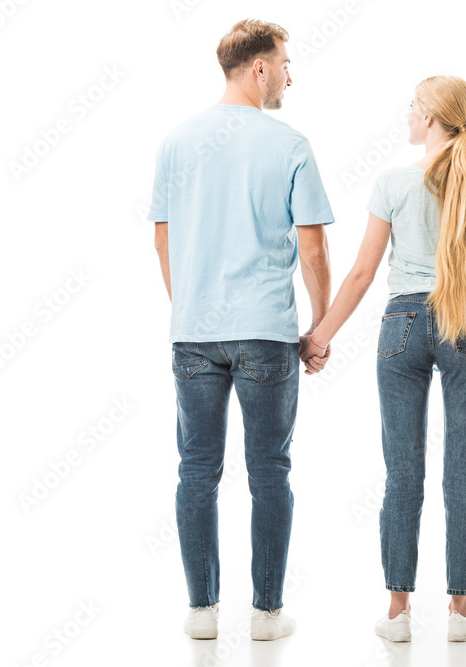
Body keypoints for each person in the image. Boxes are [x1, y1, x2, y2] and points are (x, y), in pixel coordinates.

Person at [302, 75, 466, 643]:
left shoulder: (392, 185)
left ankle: (398, 611)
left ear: (431, 119)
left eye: (412, 108)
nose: (407, 116)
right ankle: (460, 612)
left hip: (403, 323)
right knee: (465, 469)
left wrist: (320, 336)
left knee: (402, 470)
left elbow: (362, 274)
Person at [148, 19, 334, 641]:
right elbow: (312, 249)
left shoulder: (177, 140)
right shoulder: (290, 145)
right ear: (259, 68)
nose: (289, 74)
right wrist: (320, 325)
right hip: (266, 333)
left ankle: (202, 612)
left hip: (193, 331)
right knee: (269, 472)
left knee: (196, 469)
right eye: (284, 62)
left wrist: (191, 306)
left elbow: (162, 235)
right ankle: (265, 615)